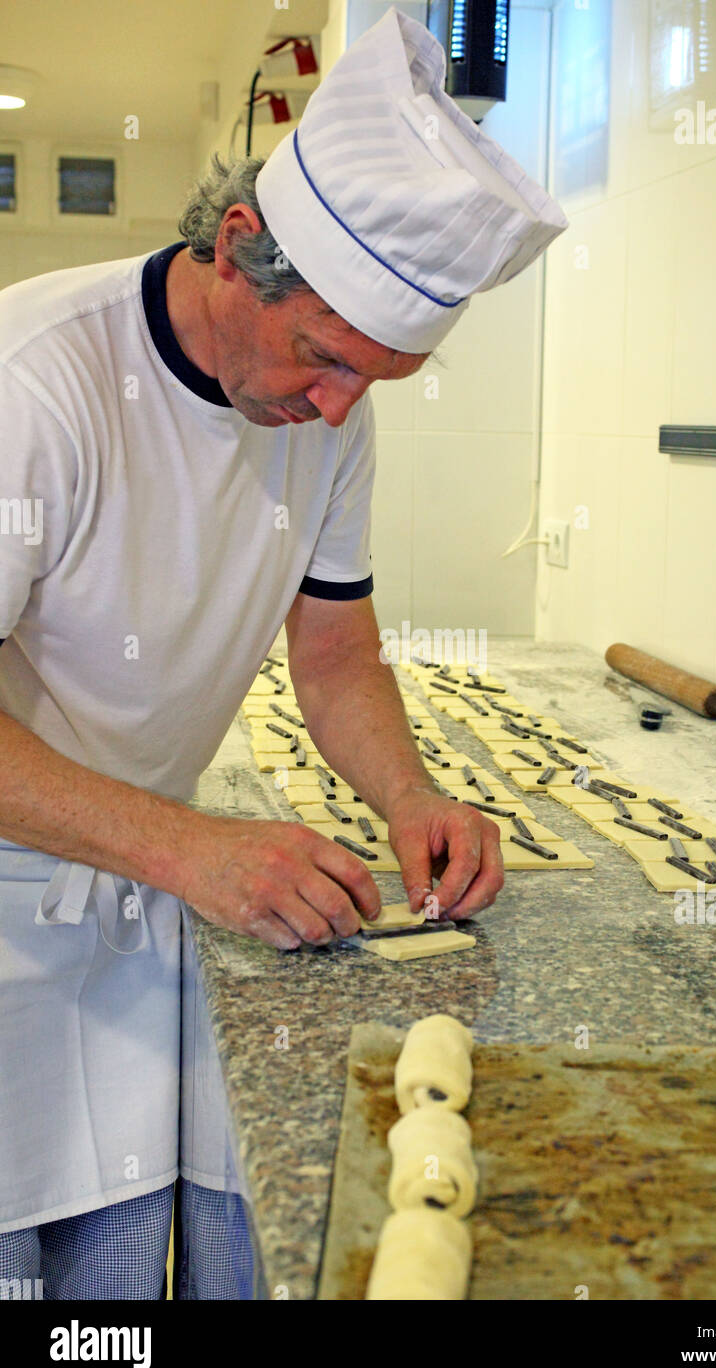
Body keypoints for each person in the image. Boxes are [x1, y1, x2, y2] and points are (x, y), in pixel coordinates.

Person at [0, 6, 567, 1297]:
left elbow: (334, 651)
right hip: (25, 901)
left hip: (136, 907)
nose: (335, 409)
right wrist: (186, 843)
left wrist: (411, 793)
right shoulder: (35, 382)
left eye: (374, 381)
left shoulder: (325, 413)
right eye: (323, 358)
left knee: (114, 1289)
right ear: (241, 247)